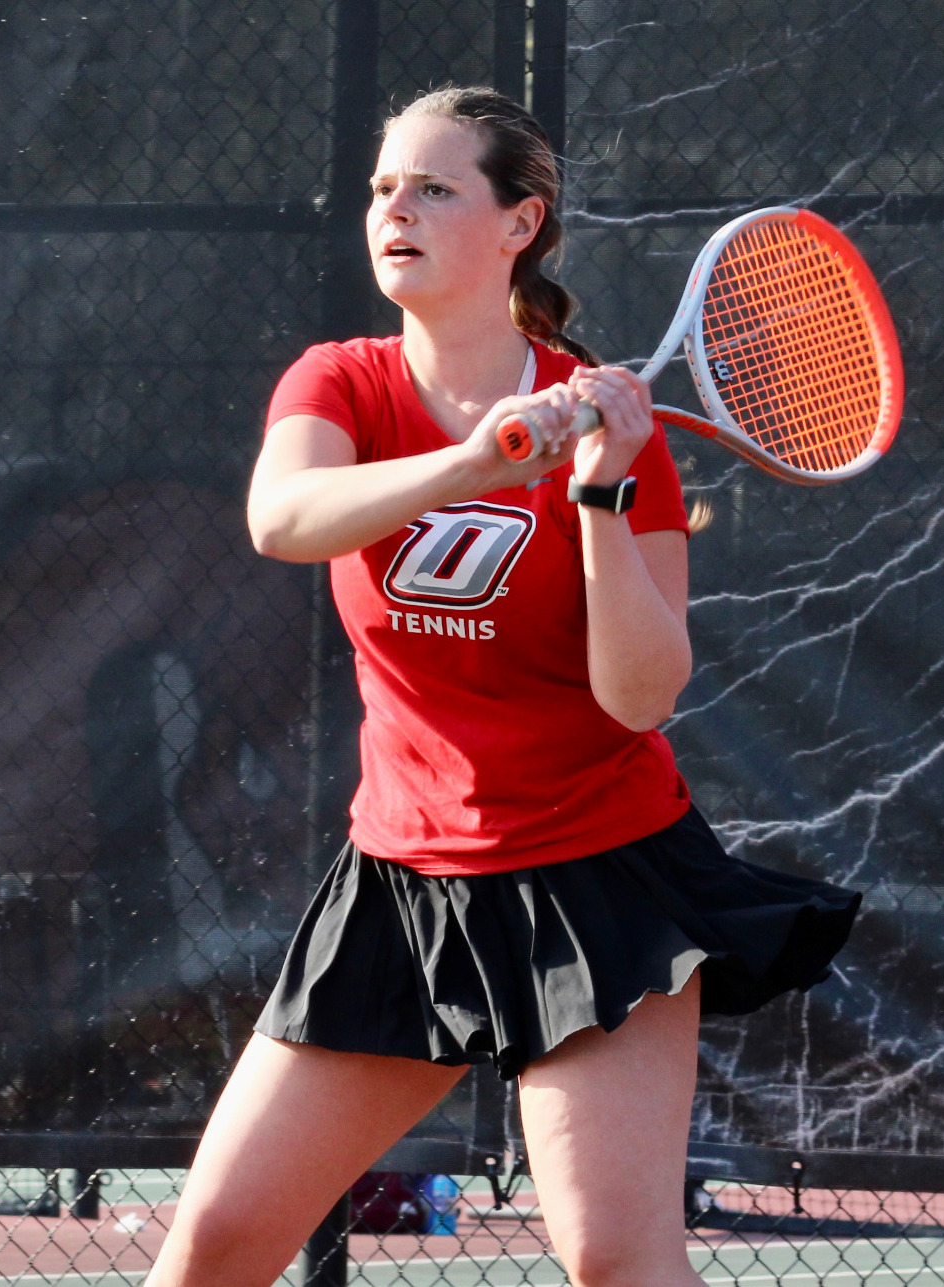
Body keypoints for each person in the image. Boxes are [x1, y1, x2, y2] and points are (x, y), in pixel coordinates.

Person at [145, 86, 859, 1287]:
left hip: (600, 882)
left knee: (614, 1264)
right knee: (212, 1254)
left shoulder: (621, 440)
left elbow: (641, 695)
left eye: (433, 187)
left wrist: (596, 491)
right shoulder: (340, 383)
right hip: (403, 887)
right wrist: (475, 457)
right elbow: (283, 520)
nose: (394, 211)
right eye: (382, 189)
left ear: (518, 224)